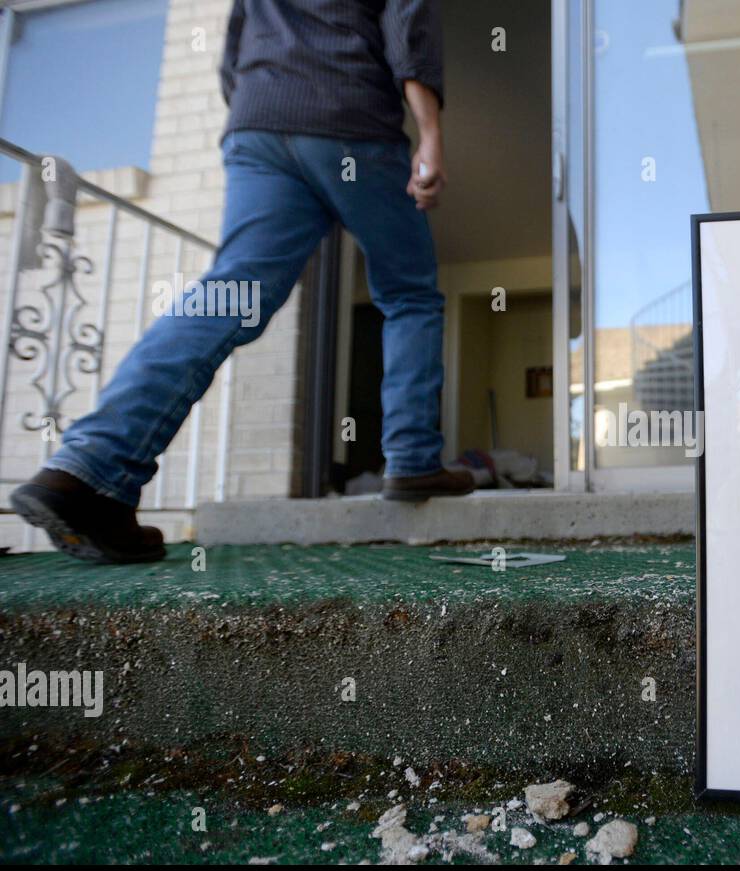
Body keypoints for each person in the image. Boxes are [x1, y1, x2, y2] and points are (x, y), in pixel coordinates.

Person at [12, 0, 471, 564]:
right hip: (350, 119)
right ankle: (413, 459)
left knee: (230, 295)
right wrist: (429, 134)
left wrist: (267, 116)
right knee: (409, 293)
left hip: (259, 122)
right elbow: (409, 27)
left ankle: (86, 469)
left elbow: (233, 52)